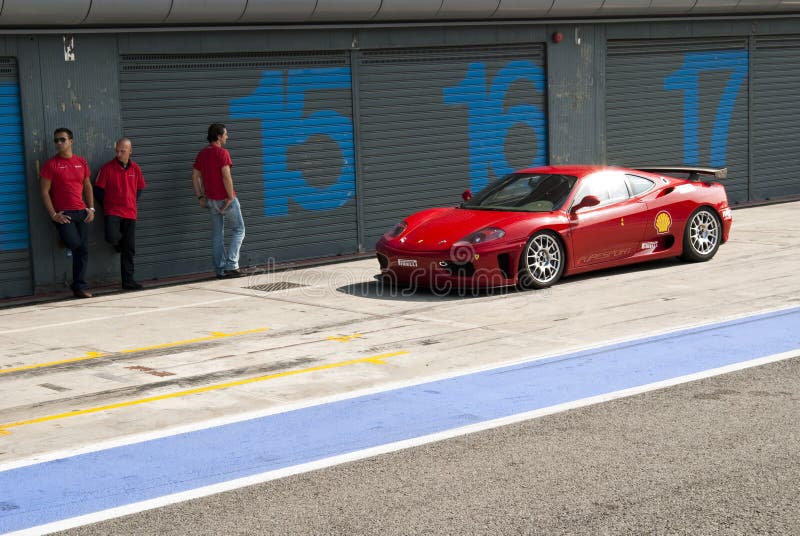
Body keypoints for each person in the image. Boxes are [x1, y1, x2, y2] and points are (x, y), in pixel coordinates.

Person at [39, 128, 95, 299]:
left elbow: (87, 186)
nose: (59, 143)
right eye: (56, 140)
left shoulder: (81, 162)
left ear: (71, 141)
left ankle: (79, 286)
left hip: (81, 212)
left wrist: (91, 208)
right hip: (64, 214)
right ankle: (65, 238)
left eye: (62, 139)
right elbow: (44, 192)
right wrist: (53, 215)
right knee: (75, 244)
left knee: (82, 250)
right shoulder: (51, 165)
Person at [191, 123, 246, 279]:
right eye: (225, 134)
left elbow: (195, 176)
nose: (227, 137)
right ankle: (232, 265)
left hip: (211, 200)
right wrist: (230, 197)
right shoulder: (222, 153)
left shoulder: (202, 154)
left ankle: (220, 270)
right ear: (219, 136)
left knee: (217, 235)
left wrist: (200, 197)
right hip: (224, 198)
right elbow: (226, 176)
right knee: (239, 229)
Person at [95, 137, 146, 290]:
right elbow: (98, 190)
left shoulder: (135, 168)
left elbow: (140, 188)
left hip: (130, 213)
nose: (119, 154)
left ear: (130, 151)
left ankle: (128, 281)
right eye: (117, 150)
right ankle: (118, 245)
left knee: (129, 249)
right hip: (112, 211)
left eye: (122, 151)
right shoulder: (107, 168)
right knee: (111, 237)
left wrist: (130, 201)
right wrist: (109, 205)